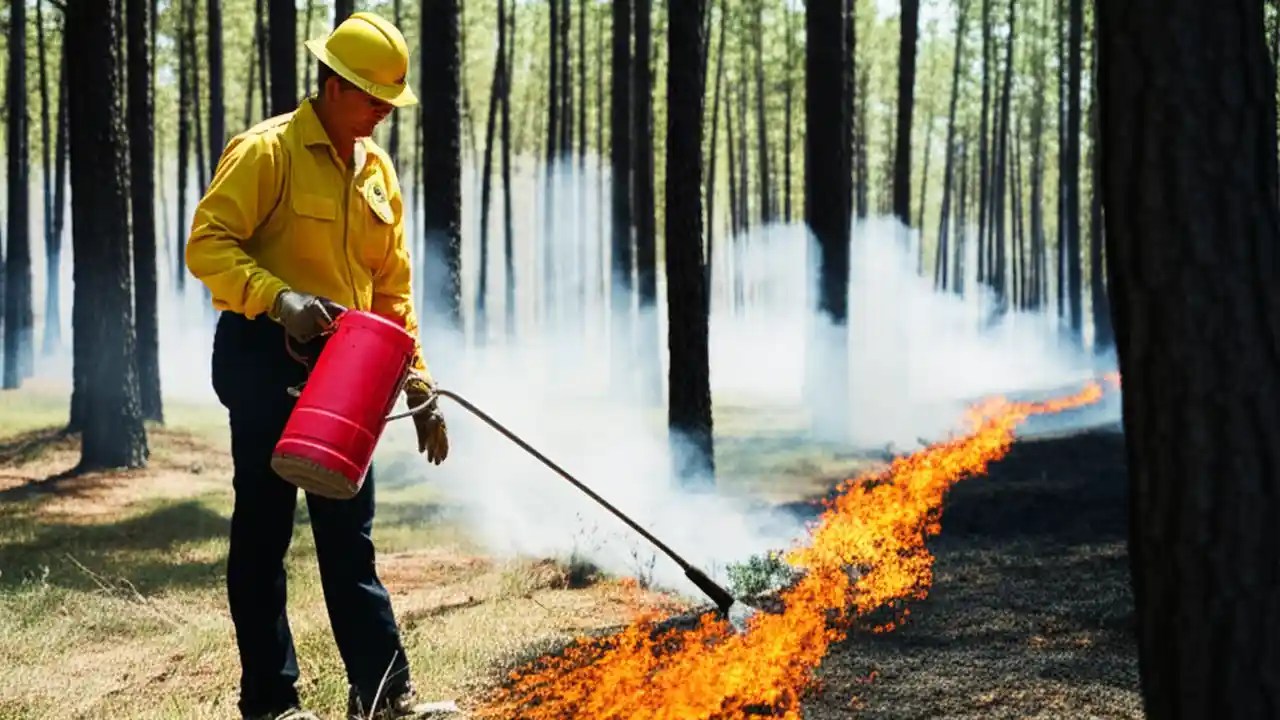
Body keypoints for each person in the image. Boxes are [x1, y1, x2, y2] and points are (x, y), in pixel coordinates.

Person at [186, 12, 450, 720]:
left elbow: (391, 291)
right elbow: (207, 245)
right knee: (264, 535)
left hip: (351, 372)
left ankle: (385, 697)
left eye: (390, 101)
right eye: (372, 97)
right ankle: (272, 703)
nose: (383, 113)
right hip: (263, 356)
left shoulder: (377, 171)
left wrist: (416, 378)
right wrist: (281, 301)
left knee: (349, 540)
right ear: (332, 85)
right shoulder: (266, 151)